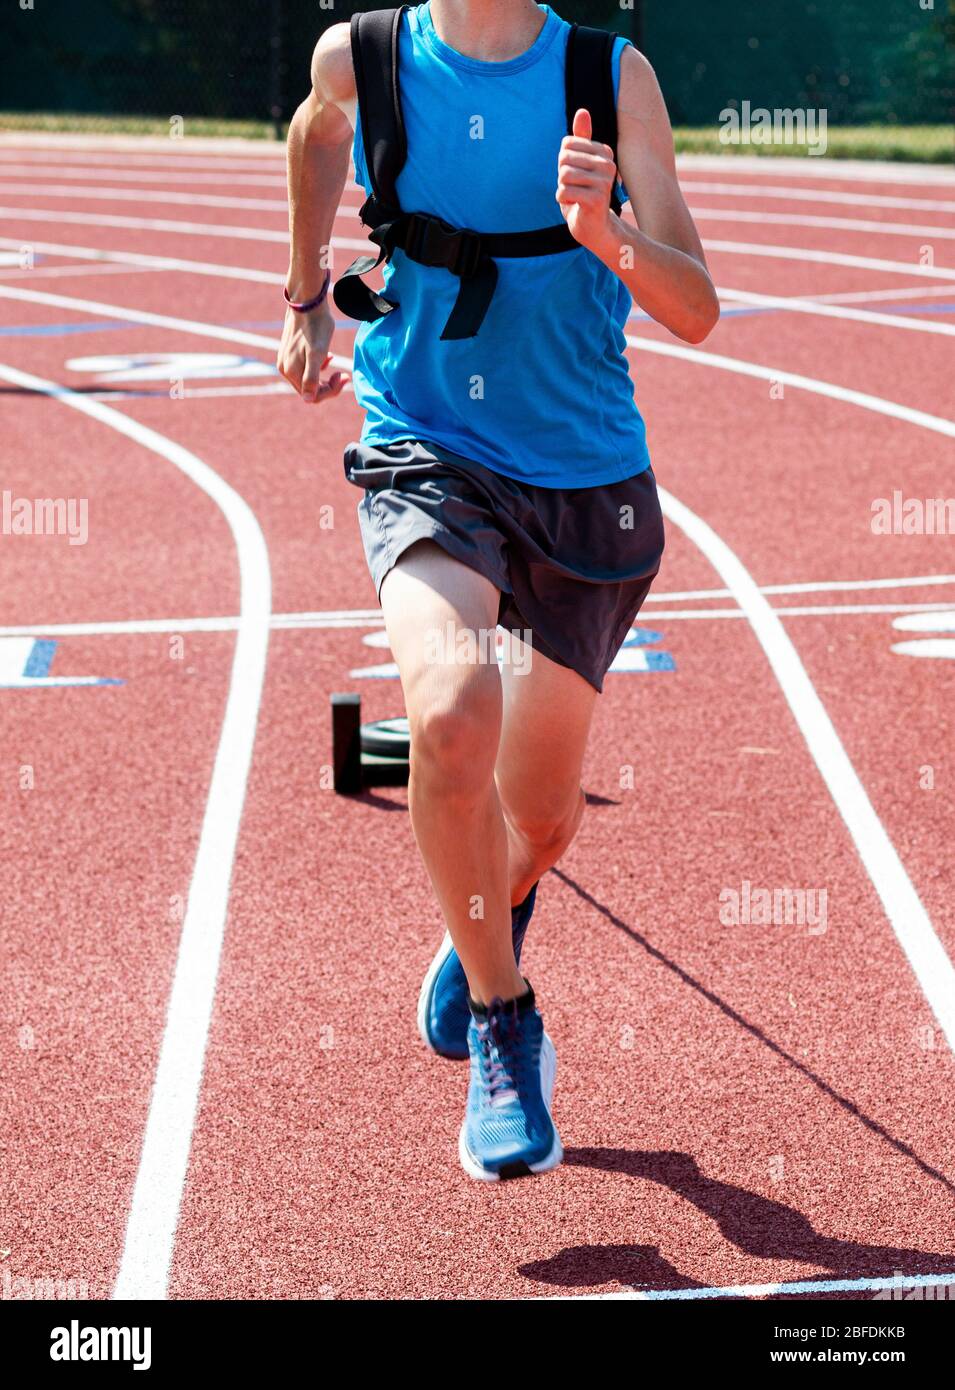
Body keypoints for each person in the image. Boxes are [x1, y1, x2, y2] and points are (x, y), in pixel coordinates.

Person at [278, 0, 719, 1180]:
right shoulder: (363, 56)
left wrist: (604, 232)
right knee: (448, 714)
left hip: (585, 483)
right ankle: (502, 1019)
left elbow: (696, 309)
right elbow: (317, 131)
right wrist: (304, 293)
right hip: (426, 447)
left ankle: (491, 902)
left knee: (542, 818)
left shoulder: (608, 77)